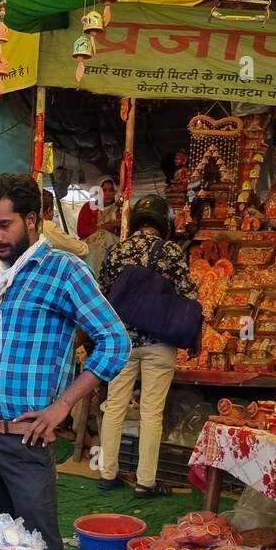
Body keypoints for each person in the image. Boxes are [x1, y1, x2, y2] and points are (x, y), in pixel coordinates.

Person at [0, 173, 130, 550]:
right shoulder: (5, 270)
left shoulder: (64, 270)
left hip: (26, 440)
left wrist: (62, 407)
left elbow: (115, 342)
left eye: (4, 225)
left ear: (32, 219)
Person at [95, 194, 197, 498]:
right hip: (160, 342)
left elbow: (102, 293)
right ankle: (145, 482)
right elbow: (189, 295)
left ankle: (107, 473)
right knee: (152, 412)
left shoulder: (116, 251)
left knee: (115, 406)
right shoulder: (171, 252)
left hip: (121, 342)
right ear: (164, 223)